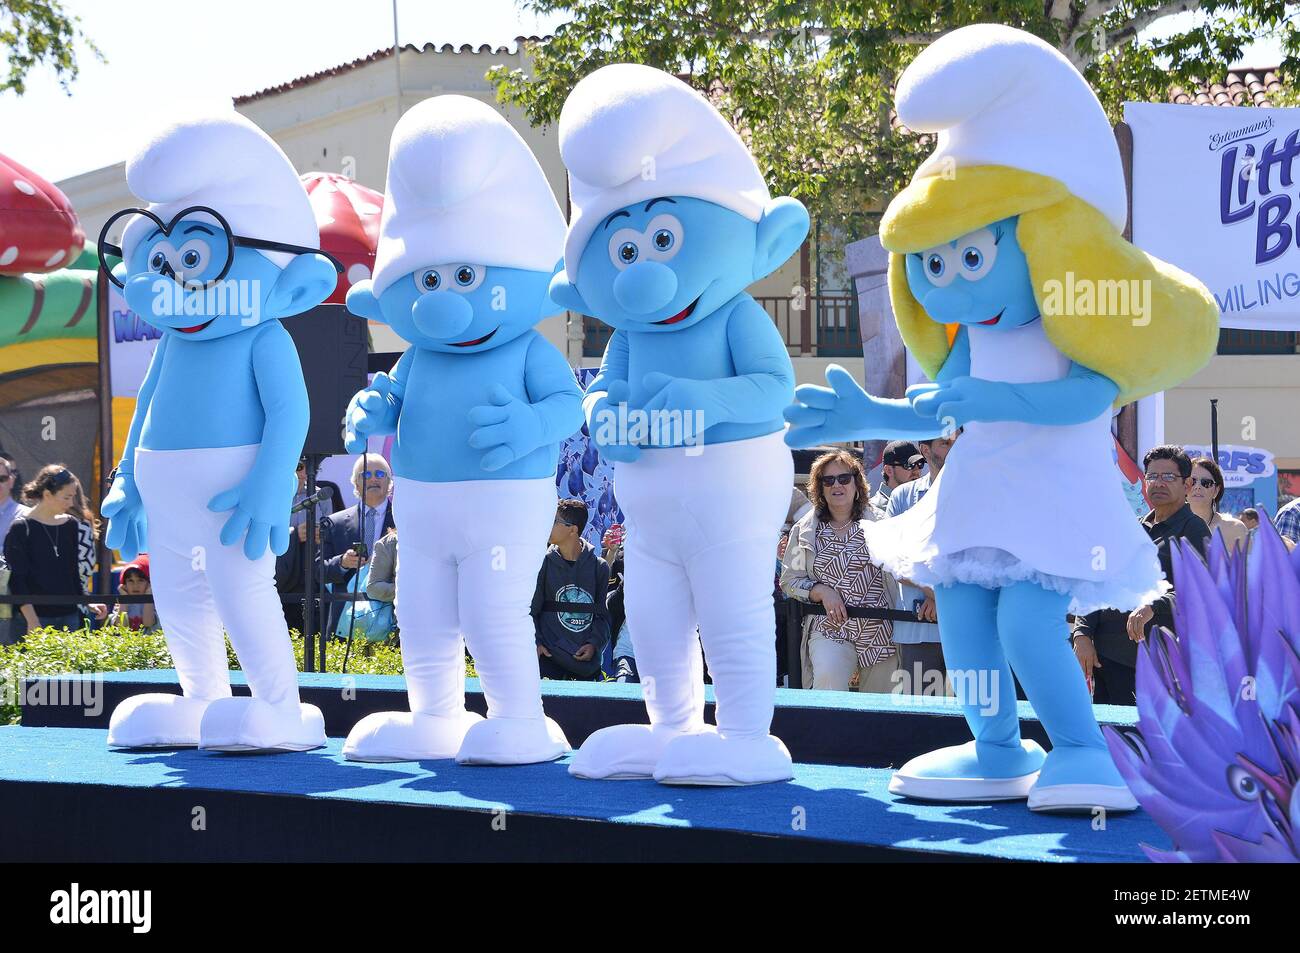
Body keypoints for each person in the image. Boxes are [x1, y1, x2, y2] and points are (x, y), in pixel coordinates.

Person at [1072, 445, 1211, 704]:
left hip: (1153, 663)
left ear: (1188, 484)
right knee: (1108, 739)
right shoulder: (1133, 529)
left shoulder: (1193, 530)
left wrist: (1153, 606)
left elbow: (1199, 590)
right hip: (1105, 661)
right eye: (1152, 476)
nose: (1158, 483)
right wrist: (1082, 633)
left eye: (1168, 477)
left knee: (1140, 743)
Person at [780, 450, 898, 692]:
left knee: (883, 713)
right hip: (829, 630)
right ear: (819, 487)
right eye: (828, 480)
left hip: (881, 631)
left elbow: (903, 570)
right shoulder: (804, 530)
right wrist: (819, 591)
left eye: (844, 478)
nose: (837, 485)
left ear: (857, 482)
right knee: (828, 690)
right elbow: (789, 580)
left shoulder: (883, 524)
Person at [884, 432, 959, 695]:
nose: (955, 447)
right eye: (946, 443)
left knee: (973, 718)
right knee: (920, 718)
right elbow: (893, 558)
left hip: (966, 627)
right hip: (917, 628)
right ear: (925, 451)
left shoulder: (980, 495)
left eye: (958, 440)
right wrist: (934, 592)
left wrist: (941, 597)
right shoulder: (902, 497)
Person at [2, 465, 104, 640]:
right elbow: (18, 581)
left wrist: (87, 602)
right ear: (48, 494)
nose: (72, 503)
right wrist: (32, 621)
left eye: (72, 497)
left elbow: (73, 574)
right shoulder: (20, 528)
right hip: (33, 618)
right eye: (66, 497)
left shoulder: (71, 524)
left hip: (70, 615)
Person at [532, 499, 612, 680]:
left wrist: (593, 645)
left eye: (554, 522)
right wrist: (536, 643)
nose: (548, 526)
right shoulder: (542, 563)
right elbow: (531, 610)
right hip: (548, 661)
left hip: (585, 664)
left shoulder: (599, 568)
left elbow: (602, 617)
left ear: (573, 529)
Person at [320, 453, 395, 639]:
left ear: (389, 482)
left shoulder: (406, 522)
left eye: (380, 474)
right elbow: (317, 572)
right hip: (344, 628)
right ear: (355, 483)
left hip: (393, 626)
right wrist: (343, 563)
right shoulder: (334, 523)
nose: (374, 479)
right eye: (366, 475)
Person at [1187, 456, 1249, 553]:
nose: (1197, 487)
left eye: (1206, 483)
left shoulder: (1235, 528)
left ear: (1216, 490)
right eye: (1192, 482)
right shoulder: (1170, 528)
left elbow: (1249, 567)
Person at [870, 440, 924, 517]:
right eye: (909, 465)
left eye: (920, 464)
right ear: (889, 470)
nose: (916, 471)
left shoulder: (923, 502)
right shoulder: (874, 510)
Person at [106, 556, 159, 634]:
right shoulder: (120, 602)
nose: (135, 585)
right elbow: (120, 626)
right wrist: (124, 600)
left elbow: (148, 623)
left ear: (149, 583)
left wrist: (148, 595)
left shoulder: (155, 602)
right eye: (130, 581)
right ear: (124, 584)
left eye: (140, 580)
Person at [365, 525, 399, 638]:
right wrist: (410, 591)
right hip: (405, 627)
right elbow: (373, 588)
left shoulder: (449, 537)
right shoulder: (390, 542)